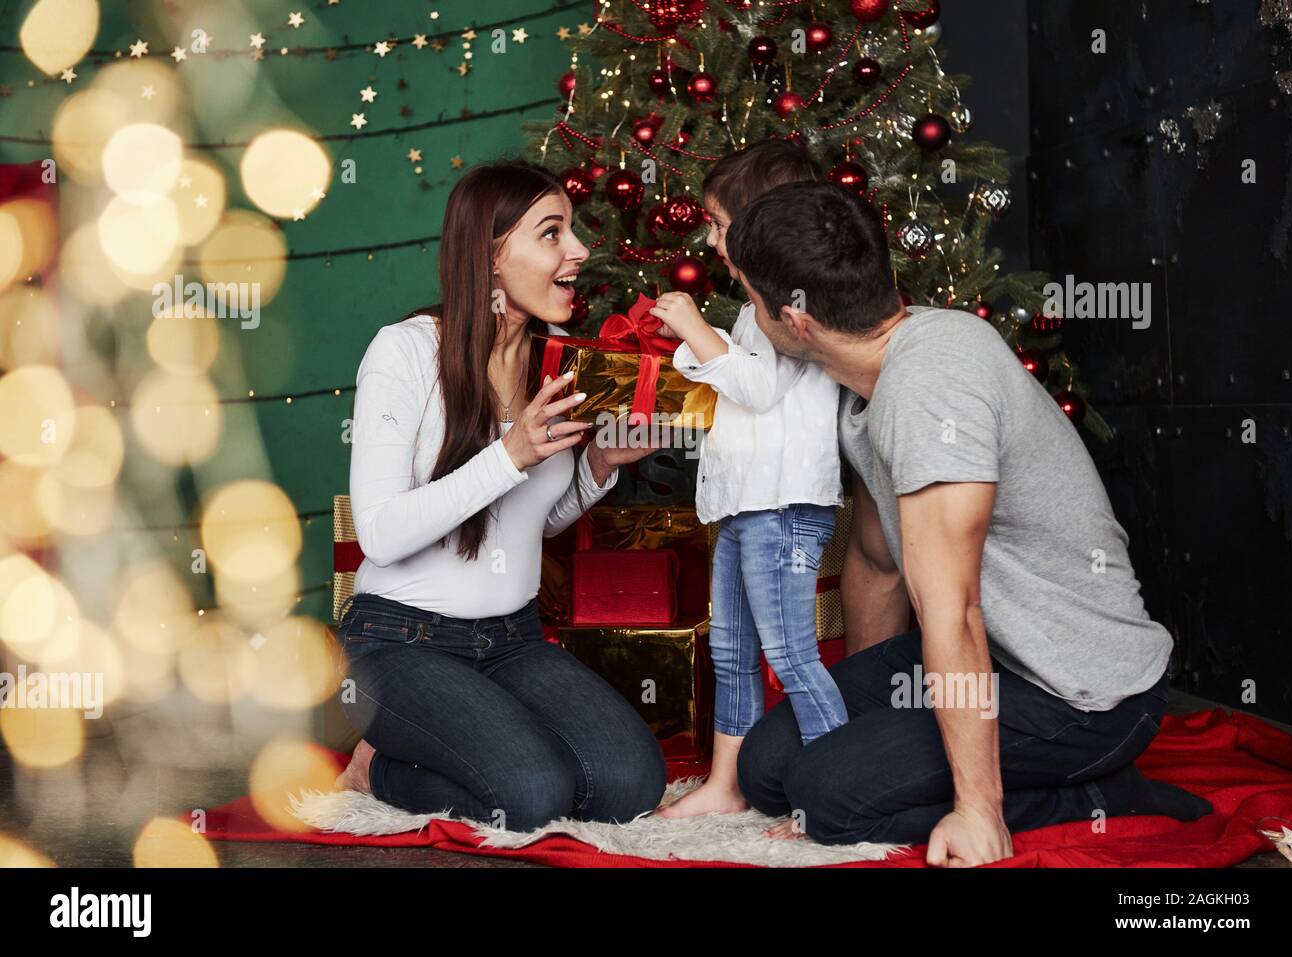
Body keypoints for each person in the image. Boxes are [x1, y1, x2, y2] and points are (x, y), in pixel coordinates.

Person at [723, 181, 1211, 864]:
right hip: (993, 659)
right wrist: (866, 730)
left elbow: (951, 610)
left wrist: (974, 807)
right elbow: (877, 560)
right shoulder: (869, 380)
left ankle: (1101, 795)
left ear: (797, 322)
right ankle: (877, 770)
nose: (750, 315)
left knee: (824, 798)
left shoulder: (929, 389)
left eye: (750, 299)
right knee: (769, 767)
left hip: (1081, 692)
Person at [334, 160, 666, 832]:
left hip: (513, 641)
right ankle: (376, 766)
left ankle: (464, 738)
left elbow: (536, 522)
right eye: (552, 234)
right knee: (533, 794)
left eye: (573, 231)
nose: (579, 251)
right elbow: (381, 532)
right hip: (398, 642)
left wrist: (599, 462)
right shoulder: (403, 353)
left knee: (632, 782)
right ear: (490, 255)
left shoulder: (559, 357)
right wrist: (510, 452)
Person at [650, 141, 847, 820]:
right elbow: (734, 383)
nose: (709, 238)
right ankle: (727, 784)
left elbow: (759, 387)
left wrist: (694, 327)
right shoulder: (751, 306)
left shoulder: (792, 303)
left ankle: (833, 792)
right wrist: (700, 342)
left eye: (717, 223)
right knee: (731, 649)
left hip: (784, 507)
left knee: (791, 652)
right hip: (742, 506)